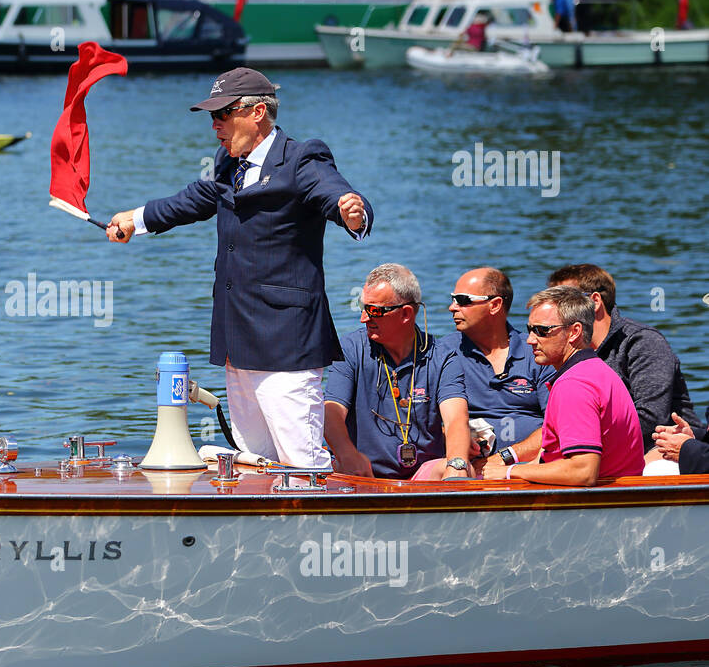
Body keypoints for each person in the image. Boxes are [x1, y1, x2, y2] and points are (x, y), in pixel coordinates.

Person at [105, 68, 371, 469]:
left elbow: (336, 195)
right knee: (251, 463)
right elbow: (190, 201)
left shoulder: (302, 158)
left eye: (222, 115)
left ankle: (323, 530)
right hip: (237, 340)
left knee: (302, 463)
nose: (215, 126)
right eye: (212, 117)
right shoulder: (228, 165)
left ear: (257, 112)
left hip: (287, 343)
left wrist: (352, 212)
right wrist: (135, 219)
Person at [323, 263, 473, 481]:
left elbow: (456, 419)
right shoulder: (350, 348)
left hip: (424, 474)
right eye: (362, 307)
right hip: (361, 471)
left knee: (460, 469)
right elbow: (331, 411)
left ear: (405, 314)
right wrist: (347, 454)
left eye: (374, 311)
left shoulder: (443, 357)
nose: (364, 318)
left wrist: (457, 464)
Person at [483, 286, 643, 486]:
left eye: (542, 331)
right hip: (621, 495)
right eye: (529, 330)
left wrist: (509, 471)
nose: (531, 340)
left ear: (574, 332)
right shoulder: (597, 369)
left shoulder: (574, 385)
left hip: (595, 506)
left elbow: (583, 471)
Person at [547, 264, 701, 461]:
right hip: (593, 450)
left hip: (664, 450)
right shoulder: (560, 351)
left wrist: (584, 437)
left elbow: (650, 417)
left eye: (564, 301)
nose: (553, 309)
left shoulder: (643, 342)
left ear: (595, 301)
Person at [439, 268, 549, 472]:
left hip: (528, 469)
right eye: (453, 299)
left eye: (463, 300)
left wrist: (504, 459)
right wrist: (449, 434)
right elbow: (424, 419)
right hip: (464, 468)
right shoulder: (442, 353)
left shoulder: (538, 353)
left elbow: (557, 425)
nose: (452, 307)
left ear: (495, 305)